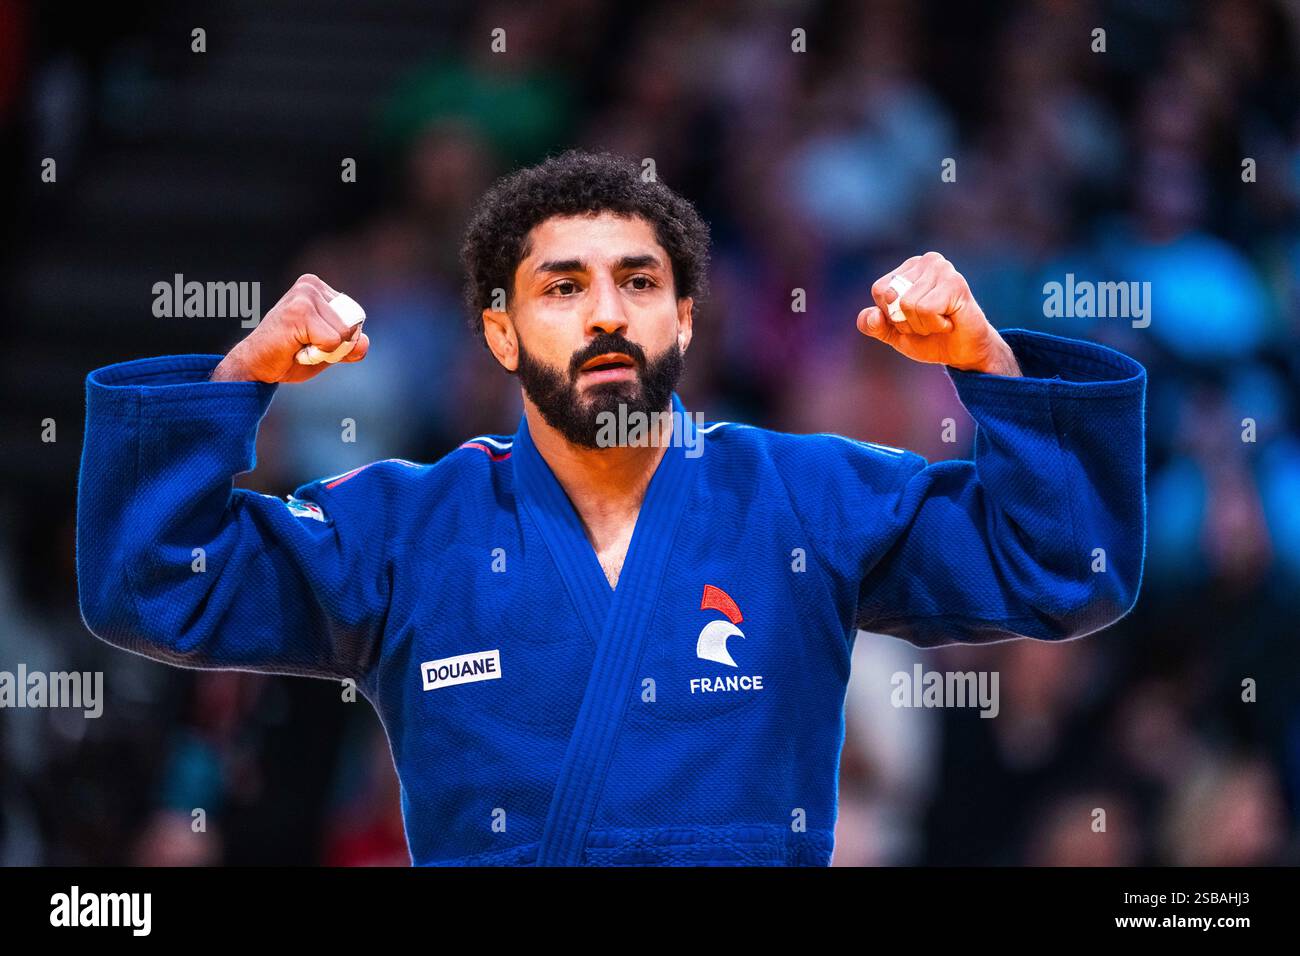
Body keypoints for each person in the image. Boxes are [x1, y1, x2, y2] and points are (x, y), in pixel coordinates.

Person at [76, 150, 1146, 866]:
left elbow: (1068, 566)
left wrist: (985, 360)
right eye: (560, 287)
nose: (604, 315)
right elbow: (153, 586)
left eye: (638, 283)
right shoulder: (408, 529)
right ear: (500, 333)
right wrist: (237, 381)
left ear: (685, 319)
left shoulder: (805, 499)